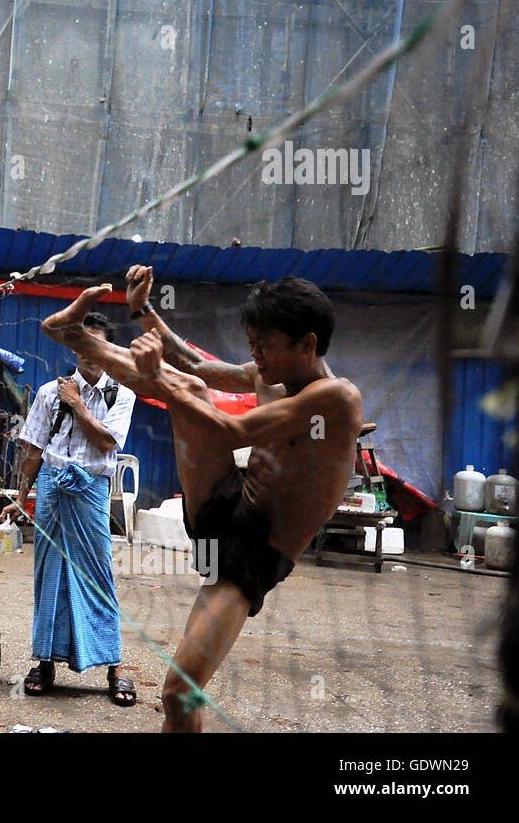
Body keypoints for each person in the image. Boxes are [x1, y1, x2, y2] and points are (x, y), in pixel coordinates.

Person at [38, 270, 362, 732]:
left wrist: (156, 379)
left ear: (306, 345)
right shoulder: (268, 374)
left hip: (254, 551)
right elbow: (191, 362)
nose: (255, 355)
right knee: (188, 386)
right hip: (222, 504)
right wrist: (143, 311)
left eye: (264, 344)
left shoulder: (336, 398)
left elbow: (230, 431)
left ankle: (76, 338)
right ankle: (73, 338)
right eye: (251, 342)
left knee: (179, 693)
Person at [0, 313, 138, 705]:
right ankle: (44, 663)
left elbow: (107, 444)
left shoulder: (121, 395)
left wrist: (77, 404)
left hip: (91, 491)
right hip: (51, 491)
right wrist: (19, 497)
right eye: (83, 345)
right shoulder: (48, 393)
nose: (89, 354)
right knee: (49, 578)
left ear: (109, 350)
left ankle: (114, 668)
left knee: (97, 576)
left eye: (98, 345)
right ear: (74, 350)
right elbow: (33, 451)